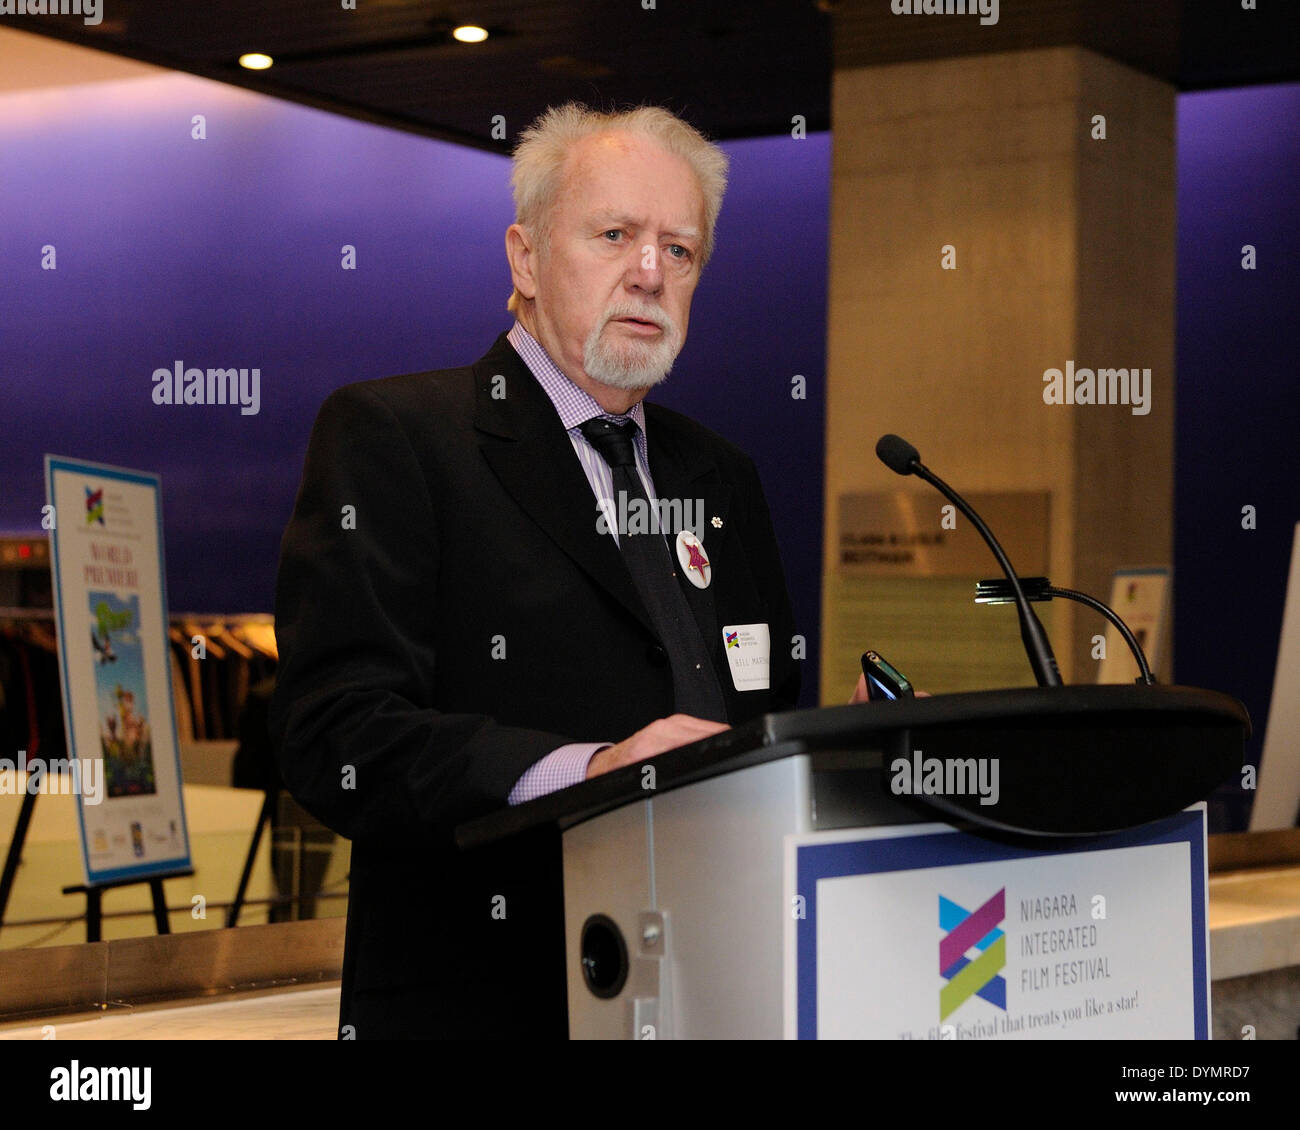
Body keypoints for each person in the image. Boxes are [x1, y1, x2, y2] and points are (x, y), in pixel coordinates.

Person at [270, 102, 807, 1040]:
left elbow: (752, 708)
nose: (649, 272)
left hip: (712, 993)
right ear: (523, 257)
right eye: (615, 235)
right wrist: (588, 774)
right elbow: (337, 736)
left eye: (680, 251)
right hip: (489, 1002)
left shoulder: (722, 474)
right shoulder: (397, 438)